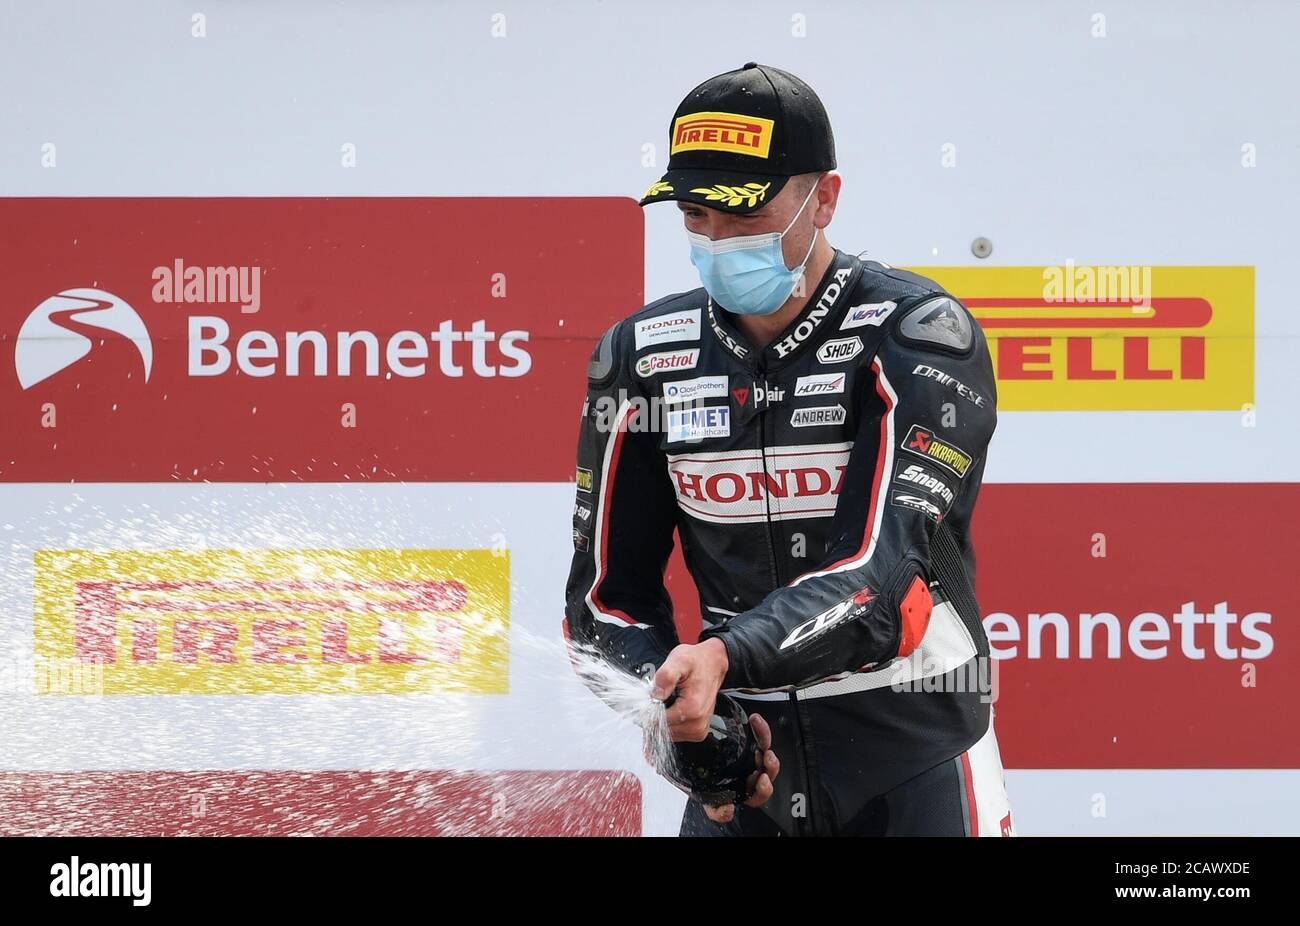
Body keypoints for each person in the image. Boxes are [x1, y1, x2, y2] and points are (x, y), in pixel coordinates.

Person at [563, 62, 1015, 836]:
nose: (714, 239)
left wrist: (725, 659)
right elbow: (605, 596)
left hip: (915, 752)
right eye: (695, 215)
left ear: (825, 197)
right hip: (743, 774)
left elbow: (884, 573)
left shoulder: (917, 336)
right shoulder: (640, 356)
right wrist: (678, 716)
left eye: (743, 215)